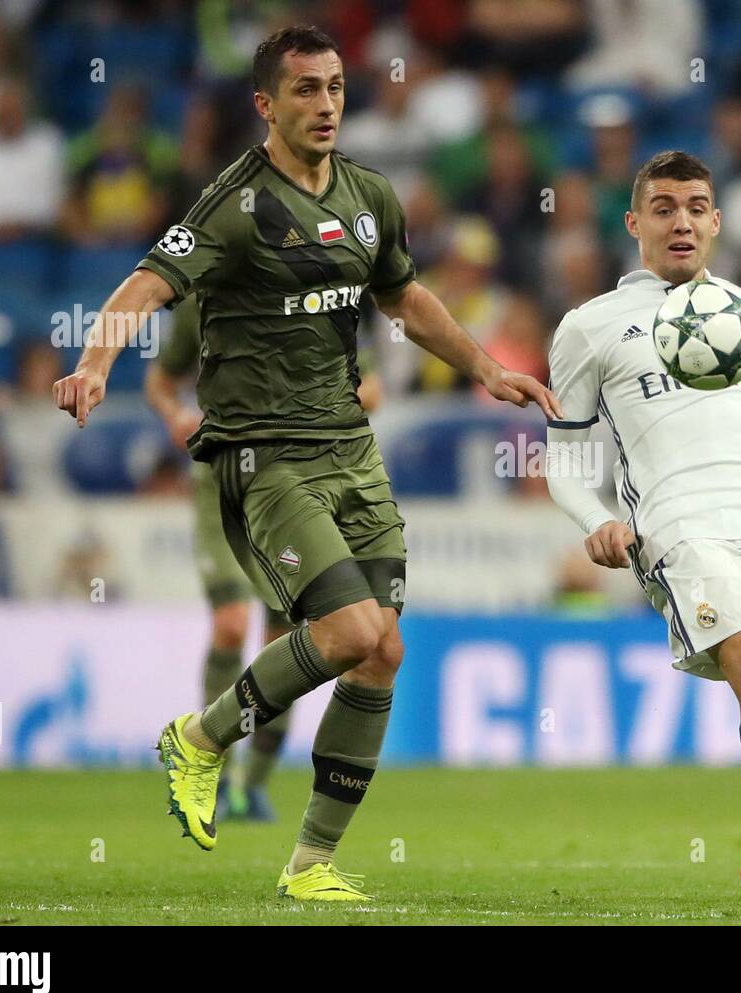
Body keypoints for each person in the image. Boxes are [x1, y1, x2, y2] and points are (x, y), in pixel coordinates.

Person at [54, 25, 560, 902]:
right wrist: (96, 360)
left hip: (349, 449)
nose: (325, 104)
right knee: (352, 631)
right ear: (266, 105)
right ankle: (202, 738)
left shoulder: (369, 195)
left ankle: (309, 865)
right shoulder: (233, 206)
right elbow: (146, 283)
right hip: (265, 455)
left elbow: (403, 294)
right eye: (304, 91)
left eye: (333, 87)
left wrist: (484, 367)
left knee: (383, 651)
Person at [544, 151, 741, 907]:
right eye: (662, 207)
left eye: (696, 205)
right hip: (683, 526)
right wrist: (597, 519)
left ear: (718, 221)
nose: (681, 220)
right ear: (634, 224)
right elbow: (562, 462)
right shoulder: (589, 327)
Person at [143, 293, 297, 822]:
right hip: (220, 479)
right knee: (231, 625)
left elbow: (372, 388)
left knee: (286, 647)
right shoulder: (204, 303)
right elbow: (160, 381)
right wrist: (174, 414)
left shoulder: (315, 290)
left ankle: (252, 786)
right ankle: (211, 768)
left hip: (290, 481)